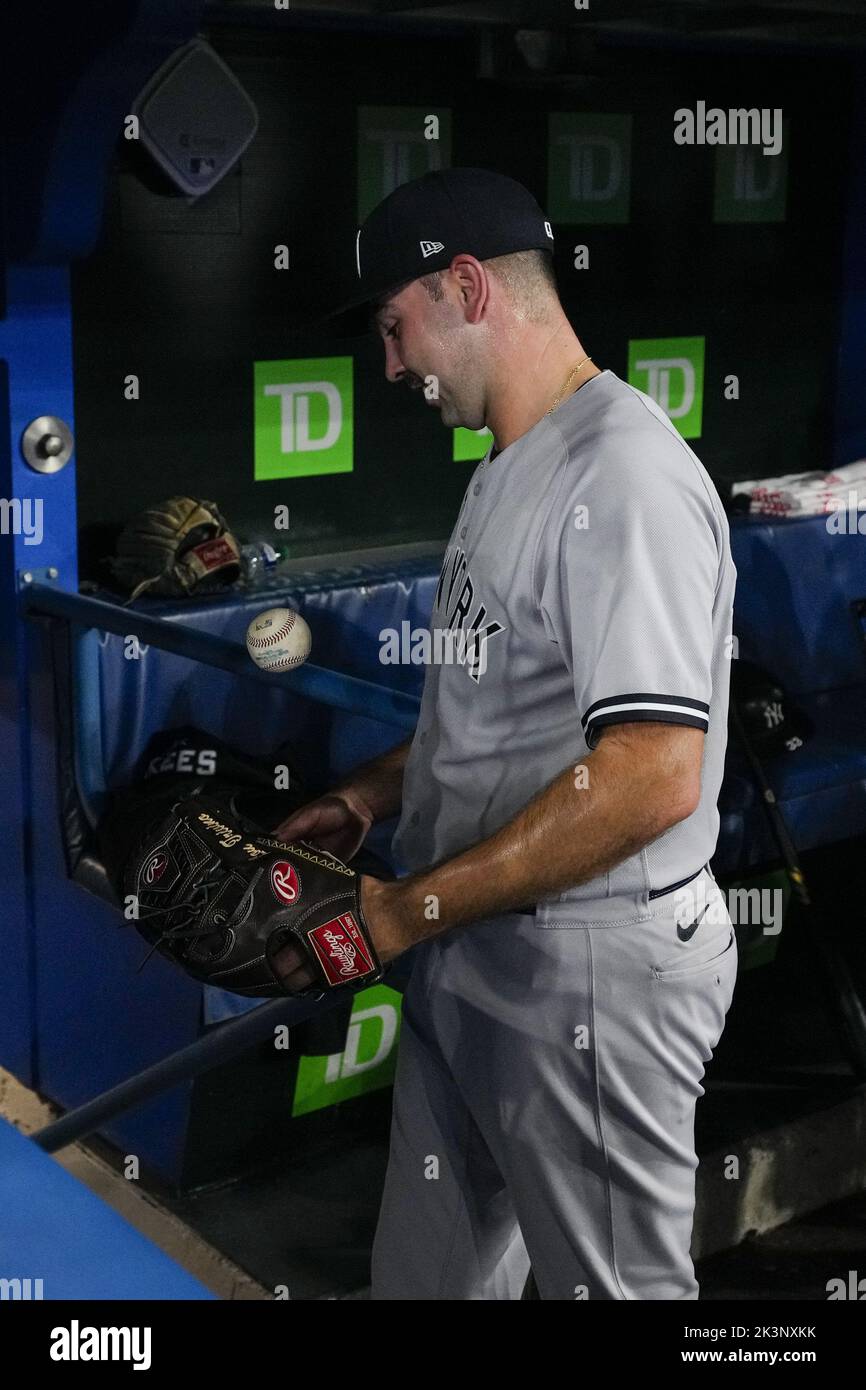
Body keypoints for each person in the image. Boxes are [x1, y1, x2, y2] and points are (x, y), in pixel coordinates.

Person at [272, 168, 738, 1300]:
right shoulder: (508, 462)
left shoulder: (620, 474)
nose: (389, 367)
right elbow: (492, 708)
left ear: (466, 286)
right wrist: (378, 797)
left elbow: (649, 776)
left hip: (585, 971)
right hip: (469, 944)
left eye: (395, 327)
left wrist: (400, 910)